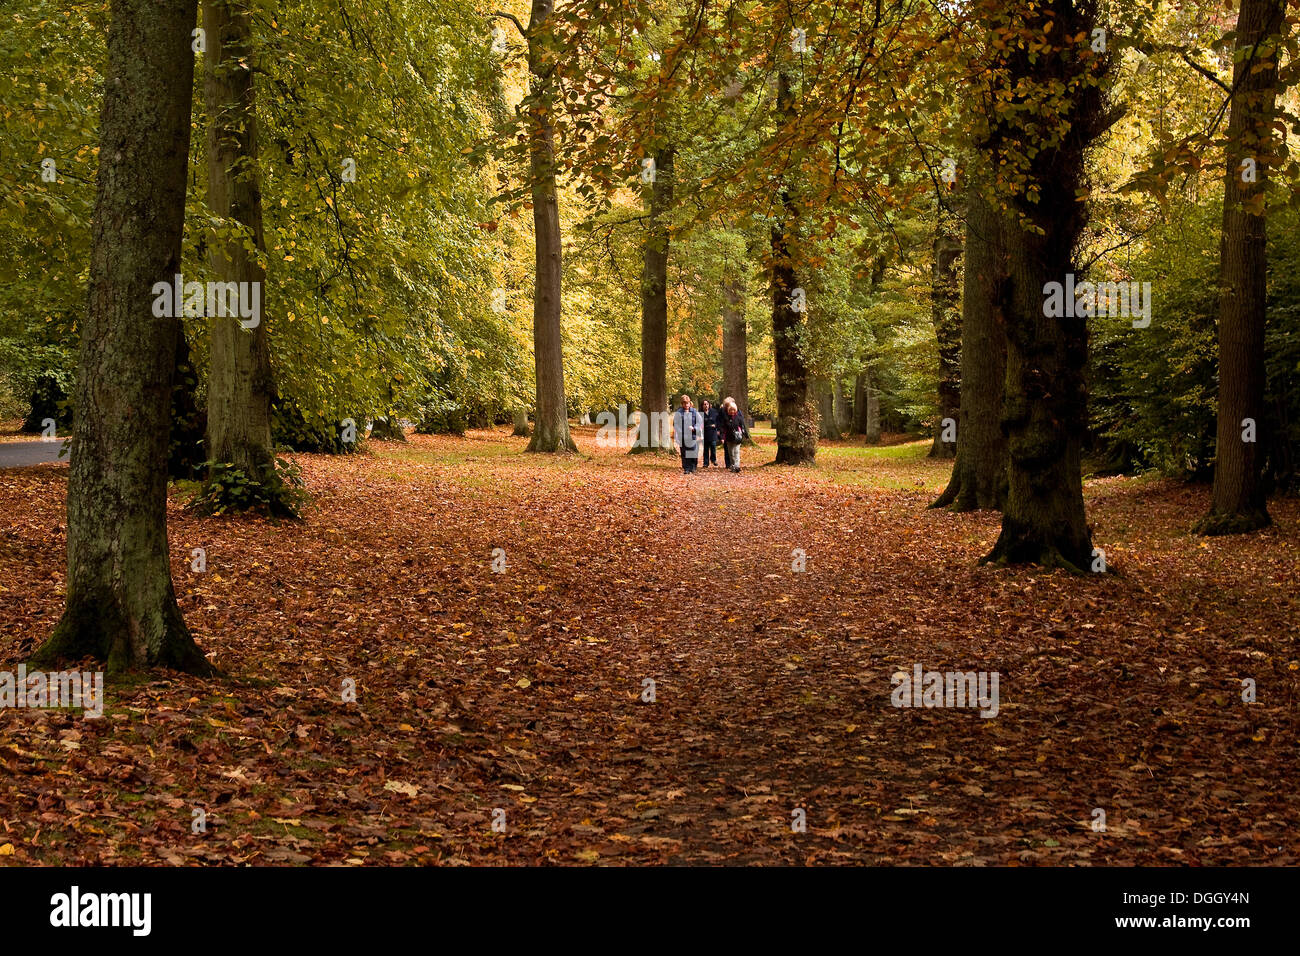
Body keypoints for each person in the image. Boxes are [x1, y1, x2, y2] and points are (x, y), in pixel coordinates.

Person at [671, 394, 702, 474]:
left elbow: (699, 422)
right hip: (683, 436)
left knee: (693, 451)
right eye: (684, 403)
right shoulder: (679, 412)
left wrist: (694, 428)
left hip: (692, 435)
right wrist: (681, 432)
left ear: (689, 403)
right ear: (682, 404)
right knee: (684, 452)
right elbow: (676, 424)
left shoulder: (694, 412)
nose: (686, 405)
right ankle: (686, 468)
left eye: (687, 403)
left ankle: (693, 467)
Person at [720, 397, 747, 472]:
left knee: (736, 452)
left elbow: (742, 425)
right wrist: (722, 437)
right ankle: (732, 465)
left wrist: (745, 434)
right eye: (730, 409)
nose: (732, 411)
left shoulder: (739, 416)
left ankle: (737, 466)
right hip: (729, 437)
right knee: (730, 453)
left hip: (737, 437)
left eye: (733, 410)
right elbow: (723, 427)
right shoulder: (725, 416)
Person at [700, 399, 720, 468]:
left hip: (713, 432)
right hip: (705, 433)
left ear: (709, 405)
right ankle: (706, 463)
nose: (706, 406)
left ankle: (713, 459)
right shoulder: (700, 413)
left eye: (707, 404)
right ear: (702, 406)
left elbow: (718, 420)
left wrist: (716, 425)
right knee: (705, 449)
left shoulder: (714, 412)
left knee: (713, 446)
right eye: (704, 404)